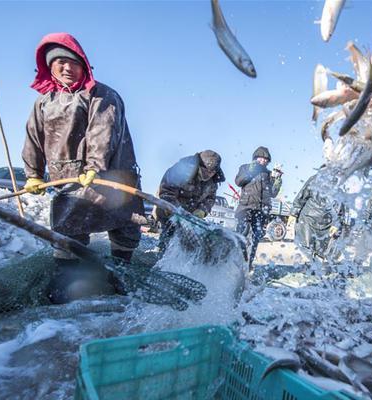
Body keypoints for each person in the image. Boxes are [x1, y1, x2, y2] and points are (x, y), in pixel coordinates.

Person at [22, 33, 144, 301]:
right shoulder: (44, 102)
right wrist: (32, 173)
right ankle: (64, 288)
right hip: (68, 180)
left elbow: (103, 131)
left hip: (112, 177)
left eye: (73, 62)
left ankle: (120, 280)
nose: (67, 68)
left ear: (84, 65)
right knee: (68, 232)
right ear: (49, 67)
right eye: (60, 63)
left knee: (123, 227)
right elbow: (33, 138)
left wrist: (95, 167)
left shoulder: (102, 95)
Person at [154, 150, 225, 251]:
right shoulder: (182, 170)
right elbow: (167, 191)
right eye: (206, 171)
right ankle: (161, 250)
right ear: (200, 165)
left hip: (190, 215)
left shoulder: (213, 182)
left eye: (212, 172)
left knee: (189, 242)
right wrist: (177, 211)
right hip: (171, 209)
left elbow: (210, 198)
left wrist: (202, 210)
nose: (209, 174)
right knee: (169, 233)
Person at [234, 146, 282, 269]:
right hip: (245, 207)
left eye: (266, 159)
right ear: (255, 158)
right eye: (261, 158)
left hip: (261, 210)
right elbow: (239, 182)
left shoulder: (268, 174)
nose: (264, 161)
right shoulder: (245, 167)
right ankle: (235, 261)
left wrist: (277, 180)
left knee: (256, 236)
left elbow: (273, 193)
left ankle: (248, 264)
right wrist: (250, 170)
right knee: (242, 233)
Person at [290, 168, 344, 261]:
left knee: (321, 247)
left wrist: (336, 224)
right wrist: (294, 213)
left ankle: (316, 264)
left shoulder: (337, 186)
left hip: (324, 221)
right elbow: (302, 196)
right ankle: (311, 264)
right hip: (309, 218)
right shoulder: (315, 180)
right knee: (306, 244)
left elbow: (339, 206)